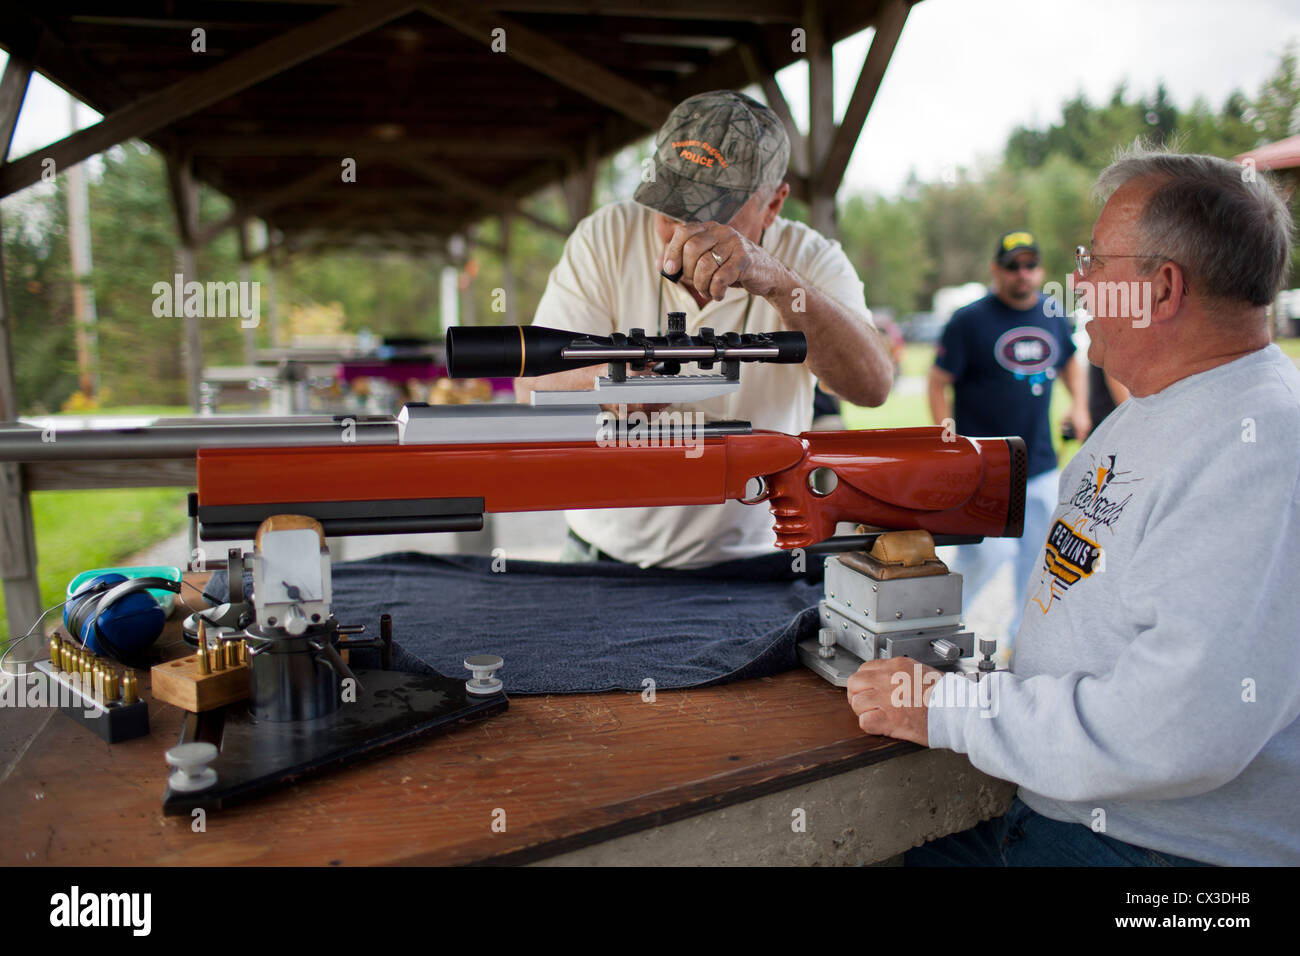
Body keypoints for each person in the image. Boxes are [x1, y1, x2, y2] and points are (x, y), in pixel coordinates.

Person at [846, 145, 1300, 866]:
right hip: (1060, 802)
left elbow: (1179, 731)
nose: (1077, 281)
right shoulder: (1152, 407)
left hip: (1156, 850)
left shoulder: (1261, 446)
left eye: (1095, 260)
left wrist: (946, 708)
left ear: (1162, 288)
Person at [517, 90, 893, 568]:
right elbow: (532, 381)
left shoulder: (811, 259)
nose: (680, 236)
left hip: (756, 562)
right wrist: (611, 386)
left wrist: (778, 283)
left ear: (773, 205)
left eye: (708, 214)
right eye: (670, 208)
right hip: (603, 558)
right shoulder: (606, 235)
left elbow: (873, 386)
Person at [927, 232, 1090, 658]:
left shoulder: (1053, 313)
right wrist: (946, 434)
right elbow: (938, 380)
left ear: (1040, 270)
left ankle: (1024, 646)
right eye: (1013, 265)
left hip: (1040, 464)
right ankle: (936, 631)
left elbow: (1071, 359)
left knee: (1039, 565)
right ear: (996, 270)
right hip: (986, 469)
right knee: (985, 557)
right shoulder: (969, 320)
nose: (1023, 273)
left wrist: (1080, 406)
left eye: (1030, 265)